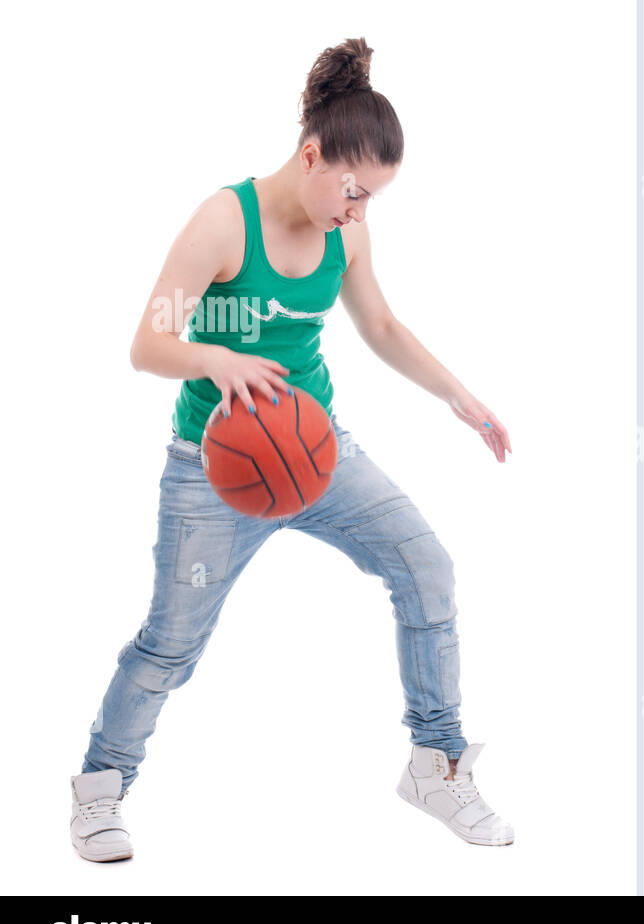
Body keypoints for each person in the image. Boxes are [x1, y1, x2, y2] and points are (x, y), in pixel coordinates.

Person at [70, 38, 515, 860]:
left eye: (374, 199)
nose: (359, 211)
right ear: (311, 155)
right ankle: (100, 786)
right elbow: (147, 342)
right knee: (171, 643)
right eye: (353, 190)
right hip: (214, 467)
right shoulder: (222, 220)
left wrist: (460, 395)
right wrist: (215, 356)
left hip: (316, 454)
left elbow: (379, 324)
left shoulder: (345, 234)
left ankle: (436, 761)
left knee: (428, 568)